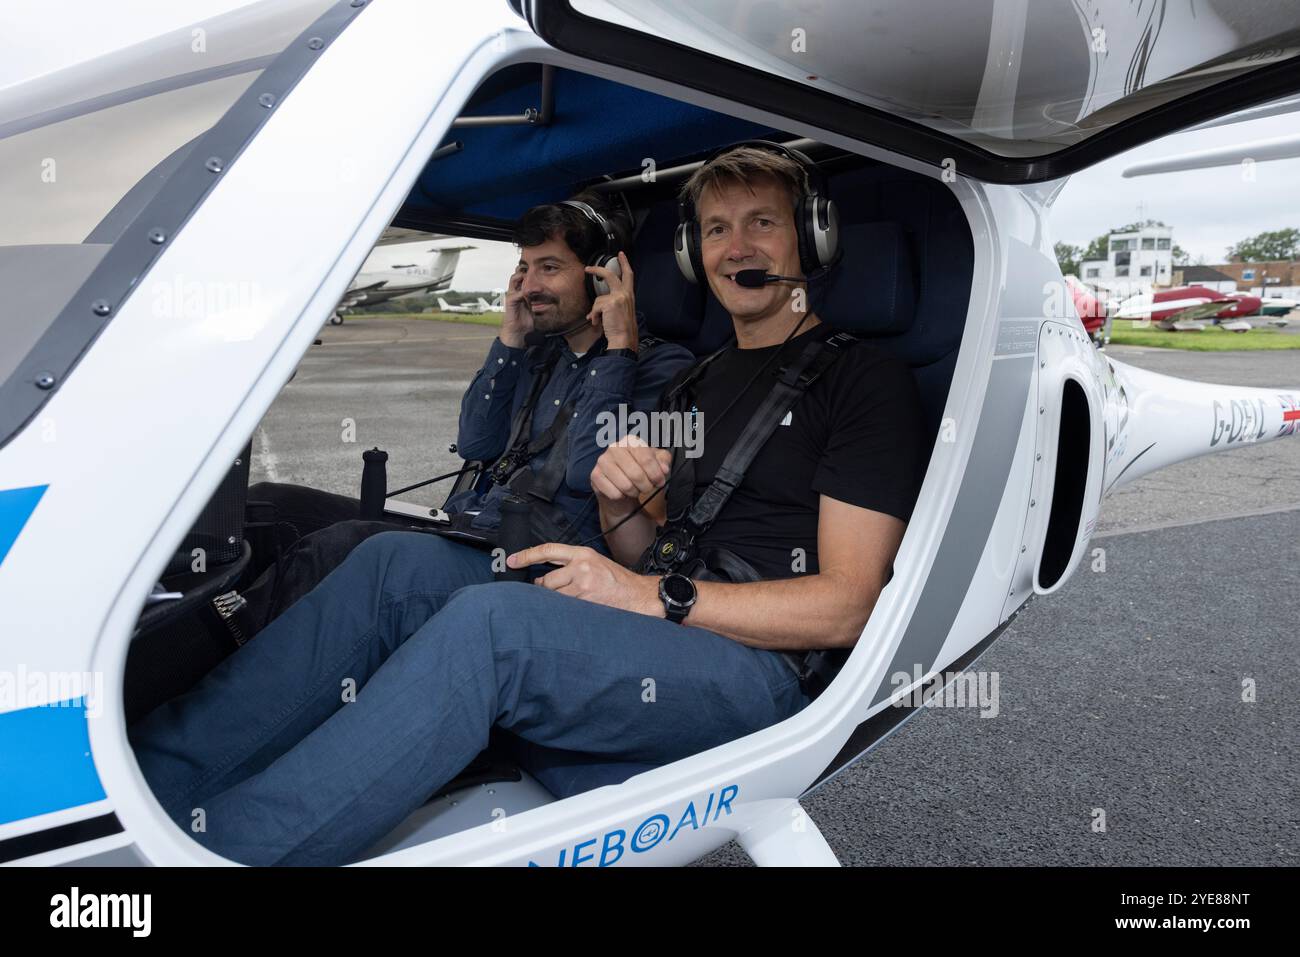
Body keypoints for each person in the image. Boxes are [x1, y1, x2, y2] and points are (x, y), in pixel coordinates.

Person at [129, 144, 928, 866]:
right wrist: (620, 509)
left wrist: (650, 592)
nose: (737, 247)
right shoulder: (698, 383)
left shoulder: (864, 382)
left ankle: (229, 852)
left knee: (494, 630)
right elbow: (642, 553)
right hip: (673, 620)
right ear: (693, 254)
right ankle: (148, 795)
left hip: (762, 668)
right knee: (390, 564)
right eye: (716, 229)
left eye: (762, 222)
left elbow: (846, 607)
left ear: (813, 240)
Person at [231, 193, 692, 636]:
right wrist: (509, 340)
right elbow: (477, 444)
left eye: (549, 268)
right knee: (269, 504)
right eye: (524, 269)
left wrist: (618, 352)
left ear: (601, 277)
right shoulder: (539, 356)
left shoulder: (661, 368)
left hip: (536, 560)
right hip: (468, 527)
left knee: (346, 545)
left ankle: (223, 656)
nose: (530, 286)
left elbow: (587, 471)